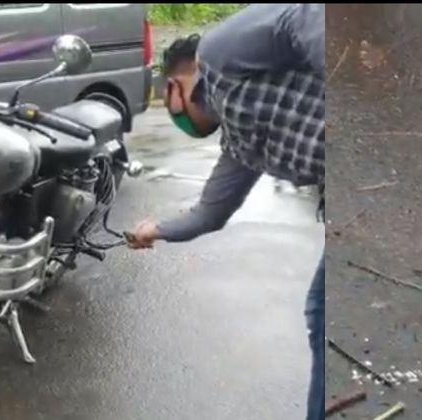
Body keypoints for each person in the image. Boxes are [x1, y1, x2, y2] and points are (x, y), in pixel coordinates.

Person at [125, 4, 325, 420]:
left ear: (176, 86)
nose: (175, 116)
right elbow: (209, 214)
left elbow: (301, 17)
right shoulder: (239, 146)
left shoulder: (217, 52)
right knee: (324, 310)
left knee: (323, 310)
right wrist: (155, 230)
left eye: (168, 102)